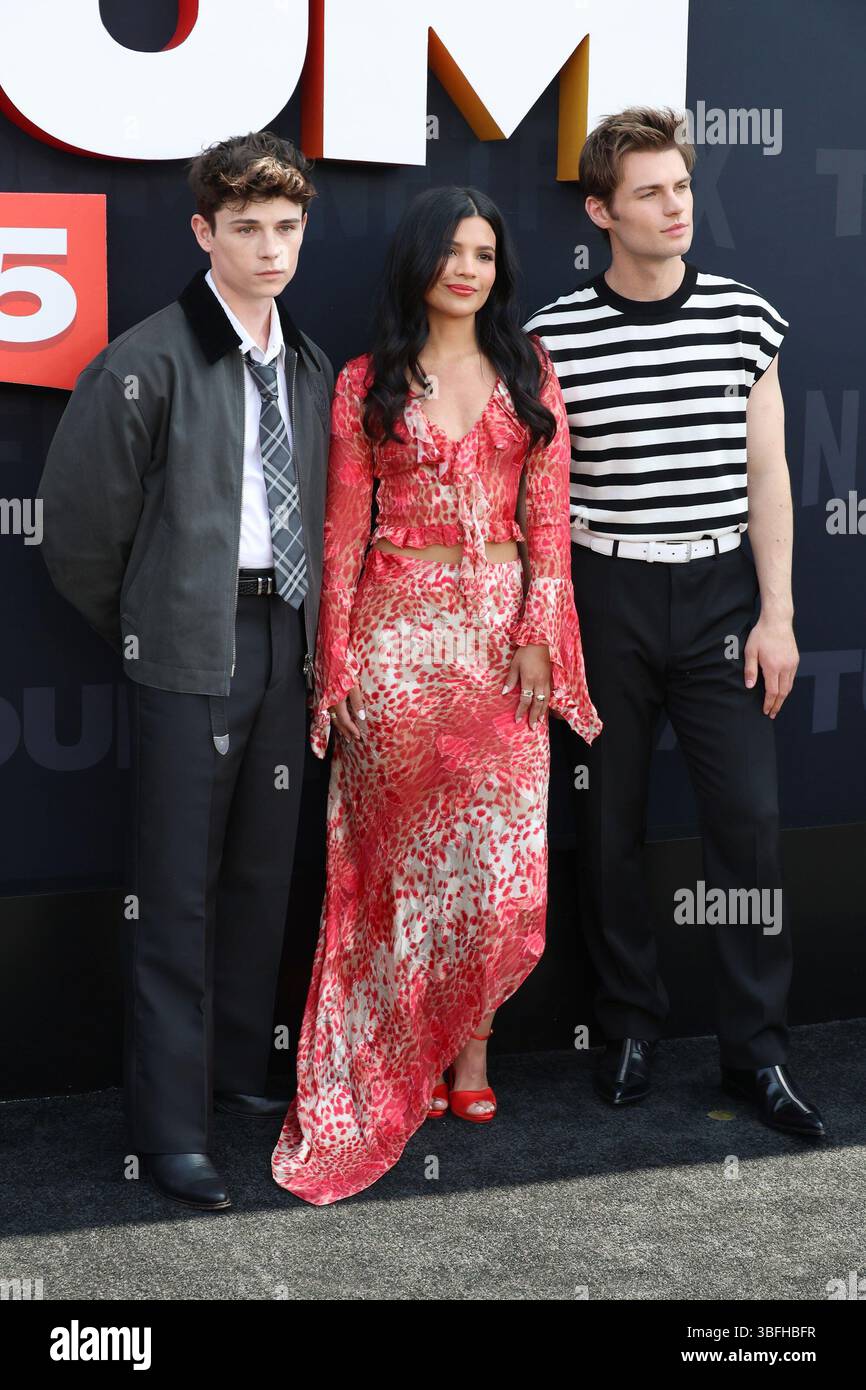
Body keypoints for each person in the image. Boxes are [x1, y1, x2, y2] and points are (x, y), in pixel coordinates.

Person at [271, 186, 602, 1205]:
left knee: (492, 872)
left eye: (485, 253)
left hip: (501, 643)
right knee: (392, 869)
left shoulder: (524, 368)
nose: (469, 268)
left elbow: (549, 520)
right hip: (396, 638)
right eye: (453, 251)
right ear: (418, 260)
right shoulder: (365, 381)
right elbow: (336, 535)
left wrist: (541, 629)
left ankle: (469, 1060)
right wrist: (340, 668)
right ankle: (399, 1060)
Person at [37, 131, 335, 1211]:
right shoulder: (146, 359)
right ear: (203, 232)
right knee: (173, 897)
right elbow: (77, 534)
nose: (269, 248)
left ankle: (230, 1078)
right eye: (246, 227)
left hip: (285, 642)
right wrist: (156, 619)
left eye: (286, 227)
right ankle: (169, 1132)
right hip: (183, 650)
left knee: (261, 877)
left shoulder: (305, 362)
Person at [525, 107, 825, 1138]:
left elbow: (767, 474)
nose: (674, 206)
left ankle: (757, 1054)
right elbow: (542, 496)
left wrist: (776, 614)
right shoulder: (551, 336)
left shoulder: (746, 317)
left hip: (718, 608)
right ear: (601, 210)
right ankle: (626, 1030)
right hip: (601, 599)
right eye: (650, 192)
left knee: (746, 828)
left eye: (682, 188)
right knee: (605, 829)